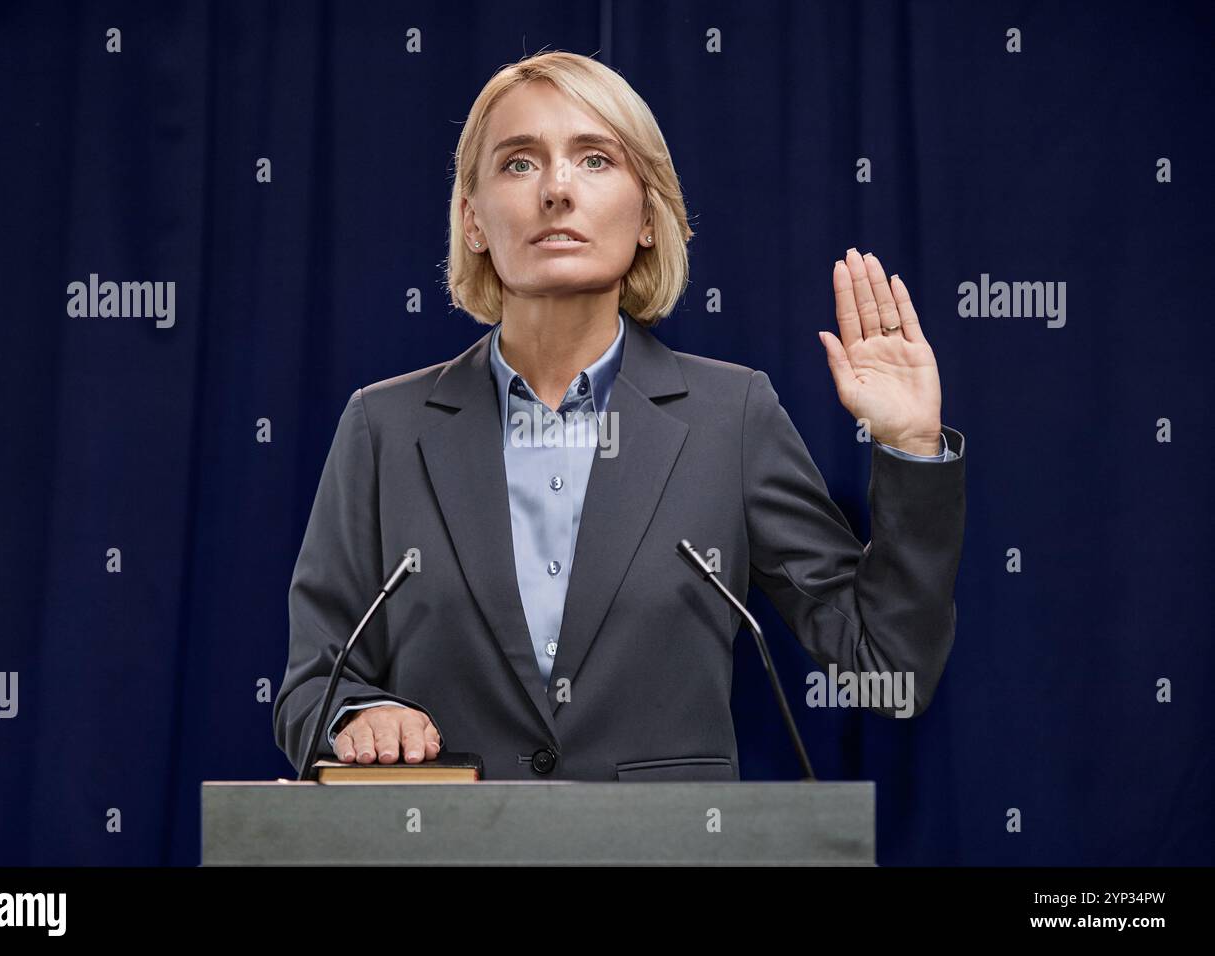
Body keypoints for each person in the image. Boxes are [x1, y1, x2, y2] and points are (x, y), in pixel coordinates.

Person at [272, 50, 965, 781]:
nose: (557, 190)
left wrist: (912, 450)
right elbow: (311, 686)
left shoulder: (733, 419)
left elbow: (894, 671)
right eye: (518, 163)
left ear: (647, 216)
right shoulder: (384, 427)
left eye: (595, 159)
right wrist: (358, 714)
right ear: (473, 221)